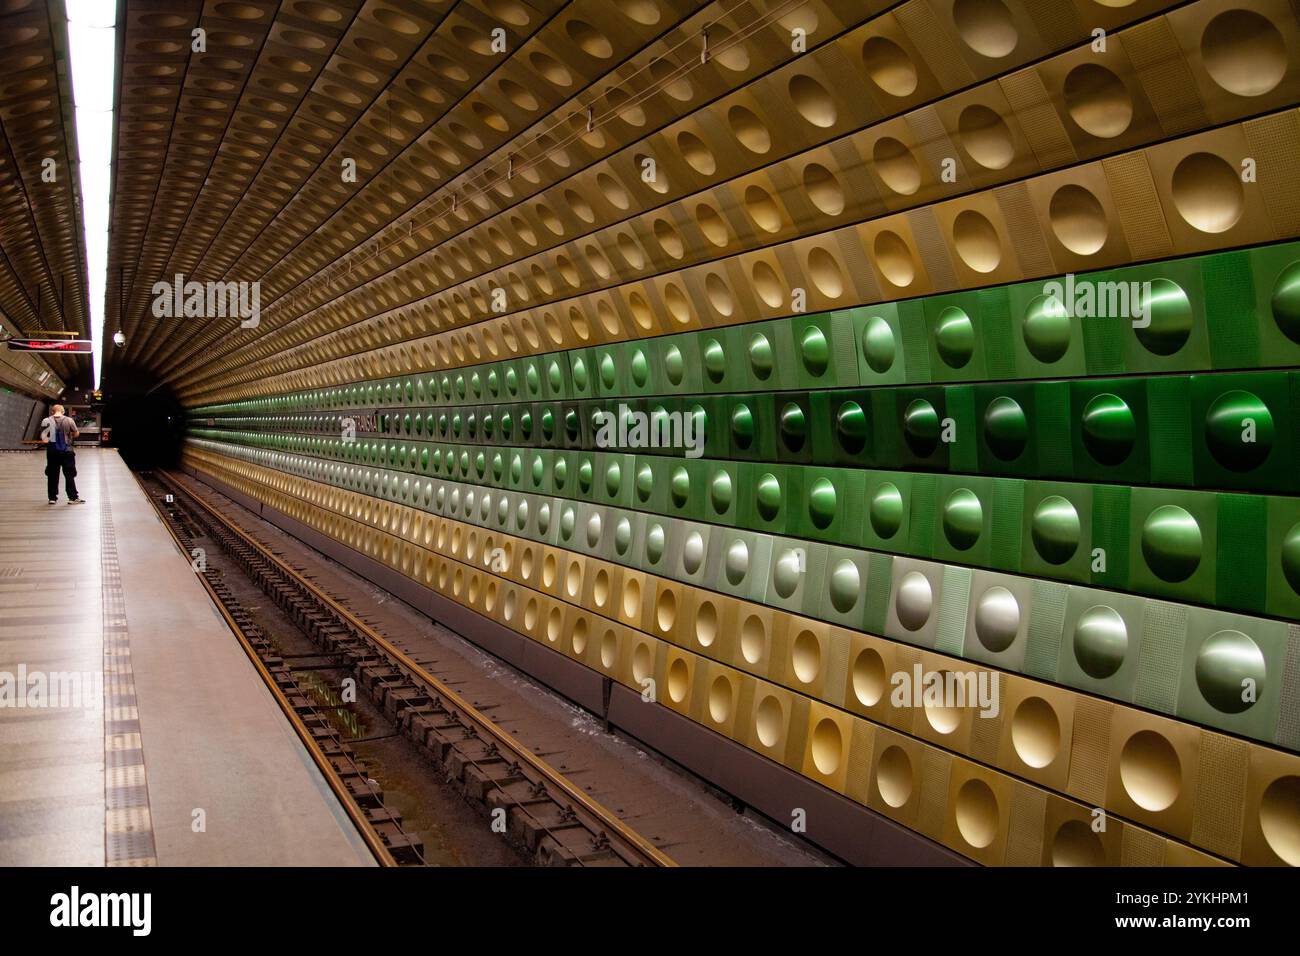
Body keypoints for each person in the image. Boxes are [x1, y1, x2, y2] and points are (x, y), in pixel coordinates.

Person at [41, 404, 84, 504]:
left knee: (52, 475)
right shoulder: (69, 420)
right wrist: (69, 435)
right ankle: (72, 497)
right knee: (69, 474)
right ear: (63, 411)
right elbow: (76, 433)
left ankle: (52, 498)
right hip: (67, 451)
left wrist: (52, 441)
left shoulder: (46, 420)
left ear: (52, 412)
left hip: (52, 452)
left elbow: (44, 438)